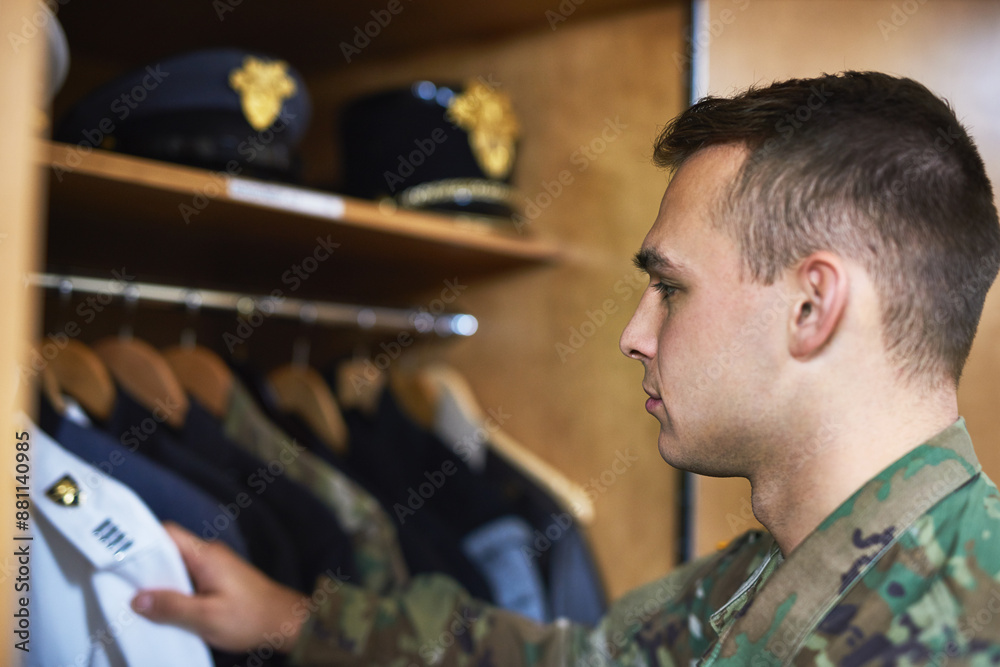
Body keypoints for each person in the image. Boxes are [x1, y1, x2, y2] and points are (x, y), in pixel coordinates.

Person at [130, 71, 1000, 665]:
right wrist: (295, 617)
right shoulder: (774, 568)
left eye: (670, 288)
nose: (635, 333)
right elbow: (576, 657)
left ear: (811, 307)